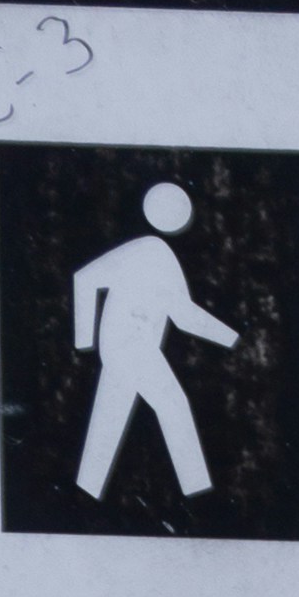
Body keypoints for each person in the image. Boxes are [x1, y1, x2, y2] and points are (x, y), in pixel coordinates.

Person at [69, 178, 239, 505]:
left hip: (123, 348)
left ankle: (84, 494)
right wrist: (83, 342)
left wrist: (231, 339)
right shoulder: (150, 249)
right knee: (173, 406)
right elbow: (84, 278)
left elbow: (184, 316)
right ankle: (199, 495)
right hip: (130, 347)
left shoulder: (160, 254)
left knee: (108, 420)